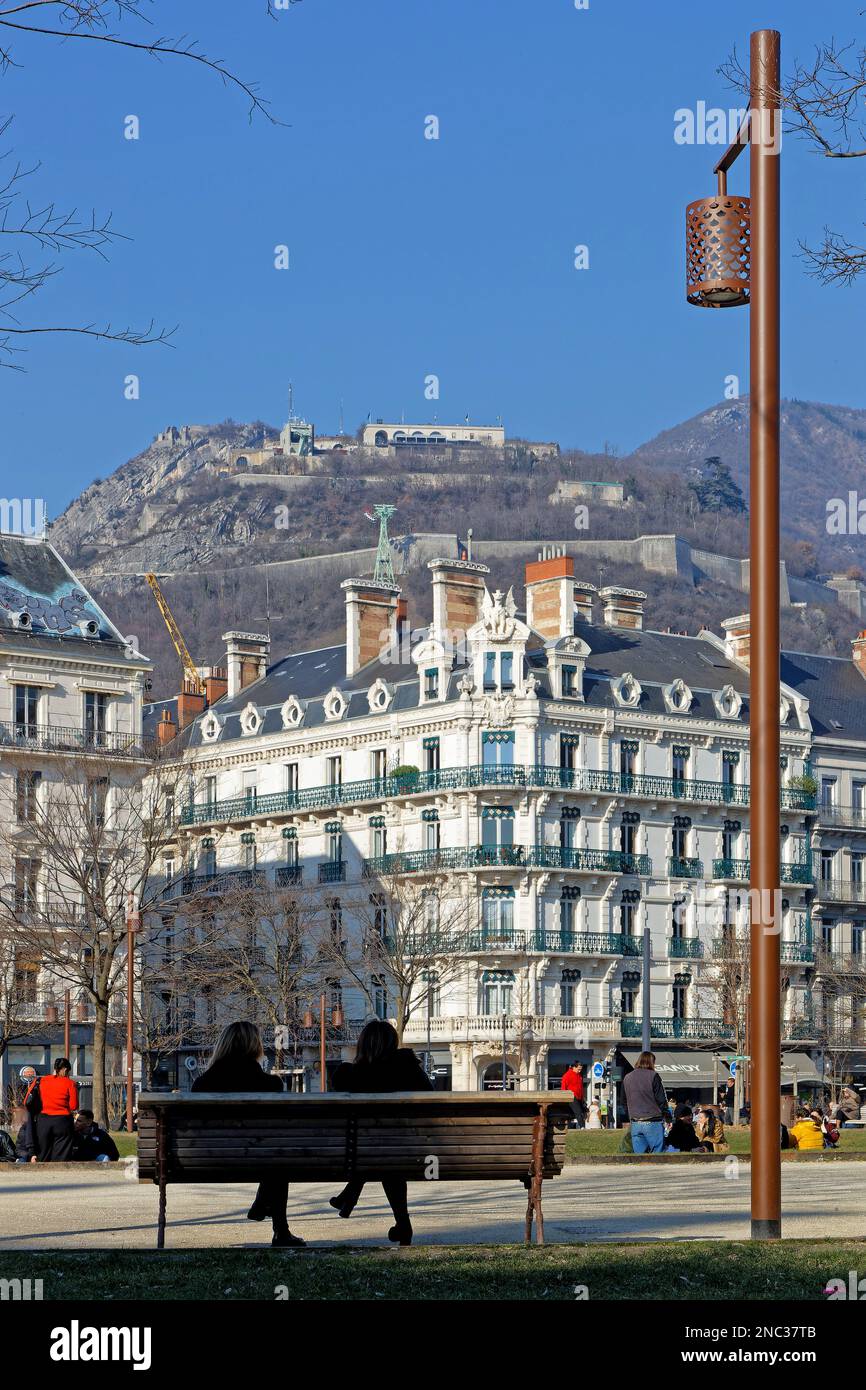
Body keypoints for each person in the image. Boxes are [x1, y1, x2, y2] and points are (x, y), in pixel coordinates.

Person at [192, 1020, 305, 1248]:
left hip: (206, 1160)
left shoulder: (201, 1085)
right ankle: (279, 1229)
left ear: (222, 1045)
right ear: (255, 1046)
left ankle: (262, 1204)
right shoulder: (271, 1085)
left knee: (274, 1154)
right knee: (278, 1155)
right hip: (259, 1160)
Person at [330, 1019, 432, 1246]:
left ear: (363, 1044)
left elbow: (339, 1080)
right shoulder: (410, 1070)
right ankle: (400, 1224)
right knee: (386, 1155)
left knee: (378, 1150)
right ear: (393, 1043)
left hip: (357, 1154)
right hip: (411, 1150)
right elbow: (431, 1097)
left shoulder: (352, 1075)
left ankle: (351, 1194)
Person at [24, 1058, 78, 1161]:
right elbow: (73, 1106)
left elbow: (27, 1100)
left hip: (43, 1121)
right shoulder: (70, 1083)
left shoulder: (40, 1081)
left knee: (43, 1153)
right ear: (65, 1069)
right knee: (61, 1154)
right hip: (62, 1121)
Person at [622, 1051, 671, 1153]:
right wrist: (668, 1117)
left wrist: (630, 1116)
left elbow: (623, 1100)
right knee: (657, 1154)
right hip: (653, 1121)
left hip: (635, 1122)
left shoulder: (627, 1077)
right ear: (651, 1062)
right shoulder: (653, 1076)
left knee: (640, 1157)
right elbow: (661, 1099)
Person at [560, 1062, 586, 1128]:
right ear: (574, 1067)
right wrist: (564, 1097)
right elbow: (563, 1087)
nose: (580, 1071)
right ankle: (582, 1126)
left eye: (581, 1069)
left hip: (579, 1097)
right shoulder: (567, 1075)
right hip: (571, 1096)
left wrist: (582, 1098)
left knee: (580, 1112)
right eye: (578, 1069)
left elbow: (581, 1088)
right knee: (578, 1111)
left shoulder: (580, 1075)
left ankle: (569, 1123)